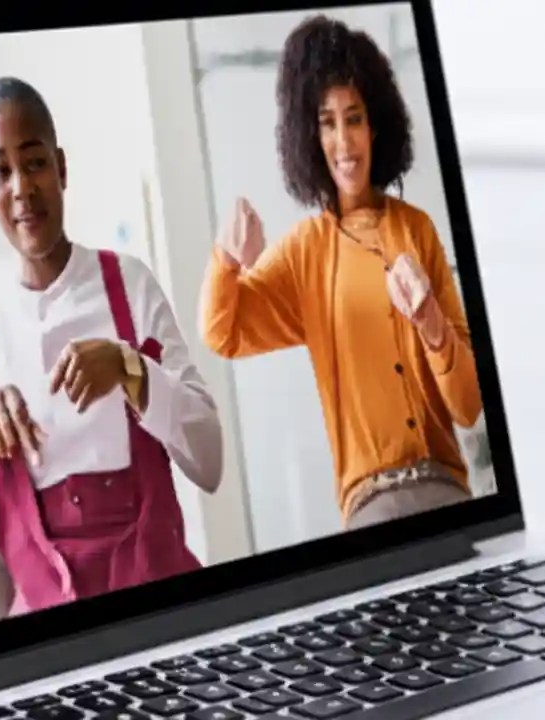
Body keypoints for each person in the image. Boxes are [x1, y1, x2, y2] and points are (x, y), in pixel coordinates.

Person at [0, 76, 223, 619]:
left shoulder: (129, 286)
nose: (21, 187)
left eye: (34, 162)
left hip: (166, 613)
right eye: (0, 171)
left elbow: (210, 460)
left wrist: (133, 371)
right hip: (49, 642)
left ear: (62, 168)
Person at [198, 15, 482, 531]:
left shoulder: (417, 230)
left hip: (450, 494)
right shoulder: (307, 252)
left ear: (376, 125)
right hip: (371, 506)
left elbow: (467, 408)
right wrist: (226, 258)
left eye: (354, 118)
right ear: (310, 136)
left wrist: (432, 325)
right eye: (328, 122)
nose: (345, 142)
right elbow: (223, 331)